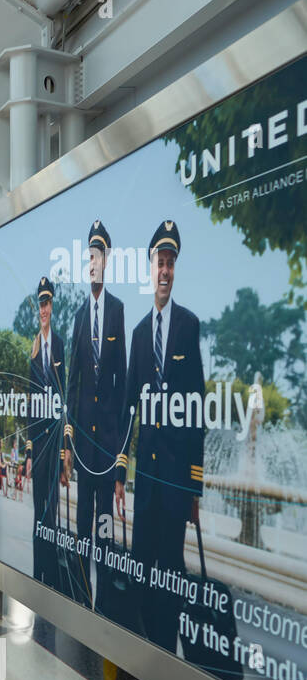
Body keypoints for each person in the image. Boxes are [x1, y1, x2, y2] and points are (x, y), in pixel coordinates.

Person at [115, 221, 204, 652]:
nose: (164, 270)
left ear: (174, 269)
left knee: (171, 570)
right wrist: (119, 472)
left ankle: (167, 658)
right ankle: (144, 655)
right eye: (159, 262)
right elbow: (129, 407)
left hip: (174, 486)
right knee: (141, 568)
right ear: (150, 268)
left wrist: (196, 488)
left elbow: (198, 410)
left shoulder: (189, 326)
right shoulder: (137, 334)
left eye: (170, 263)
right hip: (146, 483)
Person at [65, 220, 127, 607]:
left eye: (98, 255)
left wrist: (121, 467)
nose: (93, 262)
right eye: (88, 255)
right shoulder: (77, 318)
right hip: (83, 448)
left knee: (104, 533)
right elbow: (71, 386)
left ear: (106, 261)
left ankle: (103, 606)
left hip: (106, 452)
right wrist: (68, 445)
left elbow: (121, 391)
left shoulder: (118, 311)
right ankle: (78, 599)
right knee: (80, 529)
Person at [26, 276, 68, 583]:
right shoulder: (34, 349)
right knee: (37, 510)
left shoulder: (60, 345)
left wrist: (66, 450)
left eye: (47, 303)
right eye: (40, 304)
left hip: (54, 447)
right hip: (38, 447)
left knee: (51, 512)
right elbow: (30, 403)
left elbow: (64, 398)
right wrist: (28, 451)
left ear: (53, 306)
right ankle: (37, 569)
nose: (44, 309)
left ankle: (51, 574)